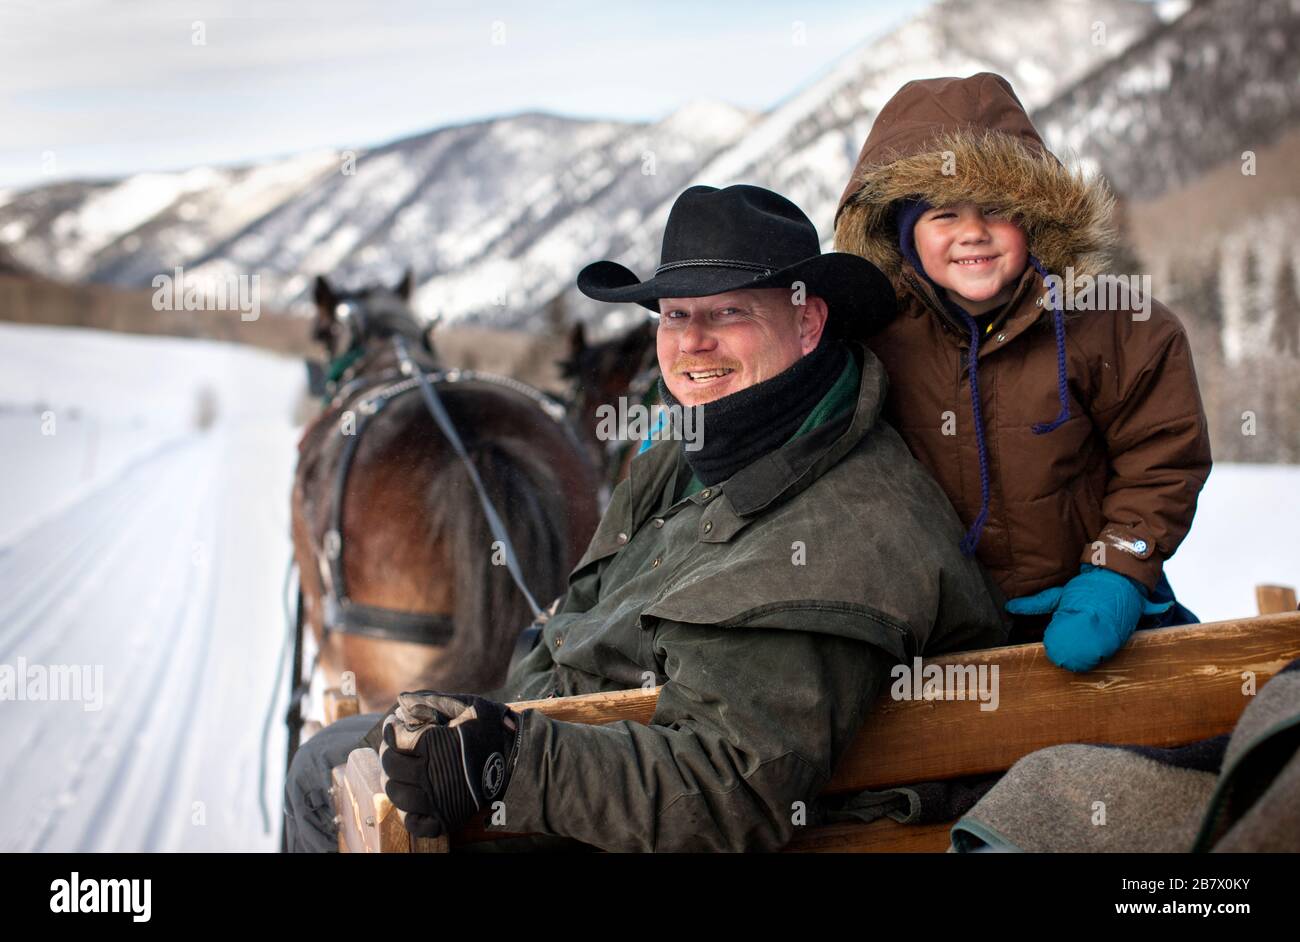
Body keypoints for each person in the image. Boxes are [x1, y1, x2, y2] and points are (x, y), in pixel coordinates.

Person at [284, 183, 1007, 853]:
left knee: (322, 773)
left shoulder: (841, 526)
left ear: (809, 321)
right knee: (333, 756)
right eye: (675, 316)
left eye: (729, 312)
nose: (692, 342)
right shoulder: (706, 451)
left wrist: (508, 761)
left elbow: (731, 785)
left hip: (637, 814)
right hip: (581, 750)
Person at [833, 72, 1212, 671]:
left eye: (997, 210)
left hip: (1094, 598)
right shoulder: (874, 339)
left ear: (1033, 220)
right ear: (903, 236)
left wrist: (1118, 570)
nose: (973, 233)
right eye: (944, 215)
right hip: (947, 632)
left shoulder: (1114, 323)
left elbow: (1162, 455)